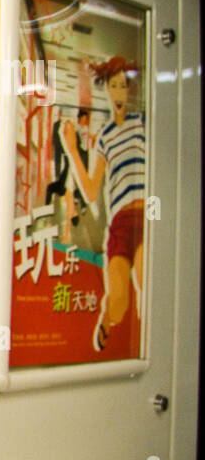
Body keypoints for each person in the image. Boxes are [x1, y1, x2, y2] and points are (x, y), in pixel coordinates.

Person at [59, 56, 145, 353]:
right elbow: (92, 190)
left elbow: (158, 178)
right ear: (107, 90)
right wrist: (71, 150)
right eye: (114, 85)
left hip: (145, 215)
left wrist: (155, 217)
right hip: (120, 223)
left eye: (124, 86)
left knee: (146, 282)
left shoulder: (142, 125)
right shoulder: (106, 136)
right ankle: (108, 320)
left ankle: (148, 340)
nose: (119, 91)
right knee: (118, 301)